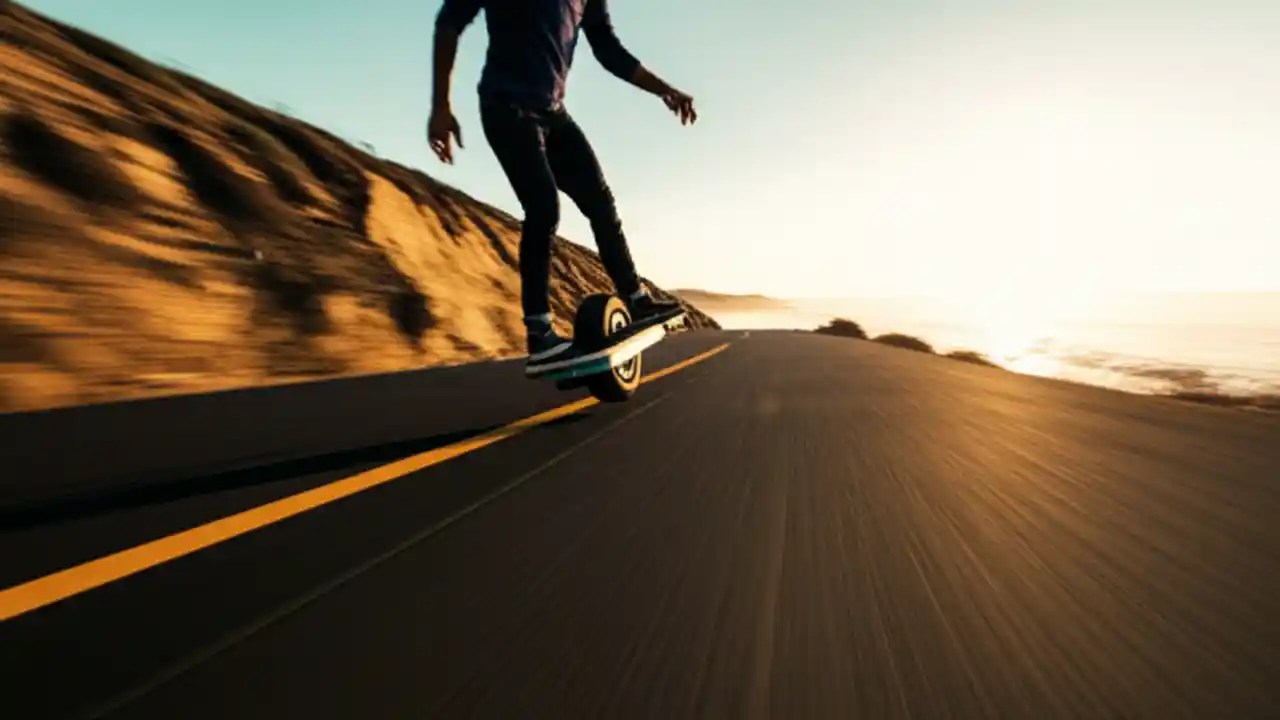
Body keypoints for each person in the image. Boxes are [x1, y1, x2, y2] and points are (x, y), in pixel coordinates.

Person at [428, 0, 697, 371]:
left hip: (553, 114)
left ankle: (636, 298)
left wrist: (664, 90)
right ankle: (539, 332)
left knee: (600, 201)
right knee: (543, 207)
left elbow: (608, 50)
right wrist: (440, 106)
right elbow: (449, 21)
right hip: (506, 108)